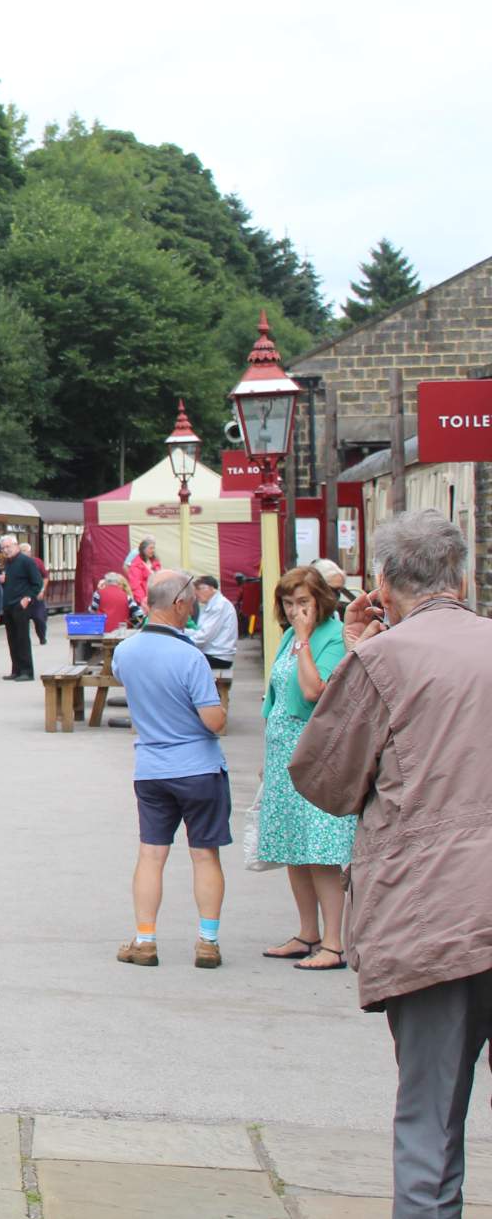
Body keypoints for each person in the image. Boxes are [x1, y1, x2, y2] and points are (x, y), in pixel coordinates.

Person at [288, 510, 492, 1215]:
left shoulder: (383, 660)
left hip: (433, 911)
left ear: (381, 583)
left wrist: (355, 652)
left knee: (430, 1122)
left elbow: (324, 779)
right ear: (462, 577)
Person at [109, 569, 230, 969]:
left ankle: (145, 940)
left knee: (151, 855)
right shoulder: (190, 657)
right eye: (191, 603)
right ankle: (207, 942)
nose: (193, 609)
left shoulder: (125, 652)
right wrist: (220, 709)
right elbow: (213, 720)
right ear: (178, 605)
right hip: (198, 768)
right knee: (204, 856)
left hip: (151, 768)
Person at [254, 566, 352, 971]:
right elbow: (275, 697)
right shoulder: (289, 636)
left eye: (303, 603)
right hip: (283, 755)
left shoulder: (332, 636)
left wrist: (308, 641)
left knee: (321, 850)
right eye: (289, 604)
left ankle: (333, 943)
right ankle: (306, 932)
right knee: (294, 846)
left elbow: (315, 692)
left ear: (321, 602)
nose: (295, 613)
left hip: (316, 754)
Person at [0, 534, 43, 681]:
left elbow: (37, 583)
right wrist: (4, 580)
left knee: (22, 638)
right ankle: (16, 669)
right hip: (9, 605)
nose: (6, 550)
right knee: (12, 638)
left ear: (16, 545)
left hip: (21, 604)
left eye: (8, 547)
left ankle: (27, 671)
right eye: (3, 548)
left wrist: (28, 597)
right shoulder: (8, 563)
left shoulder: (26, 561)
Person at [187, 575, 238, 670]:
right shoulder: (213, 604)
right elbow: (200, 632)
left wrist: (184, 640)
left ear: (210, 588)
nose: (196, 593)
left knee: (180, 661)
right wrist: (183, 632)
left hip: (218, 656)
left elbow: (204, 636)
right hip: (213, 654)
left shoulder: (219, 605)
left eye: (198, 589)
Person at [20, 541, 49, 644]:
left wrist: (42, 590)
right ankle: (24, 641)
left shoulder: (37, 562)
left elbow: (45, 577)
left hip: (36, 596)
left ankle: (42, 636)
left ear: (30, 552)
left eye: (26, 551)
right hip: (23, 596)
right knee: (22, 621)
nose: (24, 553)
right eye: (22, 551)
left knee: (39, 618)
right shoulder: (17, 563)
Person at [126, 537, 162, 608]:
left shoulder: (155, 562)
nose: (153, 550)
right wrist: (143, 601)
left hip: (157, 597)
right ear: (143, 549)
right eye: (150, 548)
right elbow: (135, 586)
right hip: (145, 600)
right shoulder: (136, 565)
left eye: (153, 548)